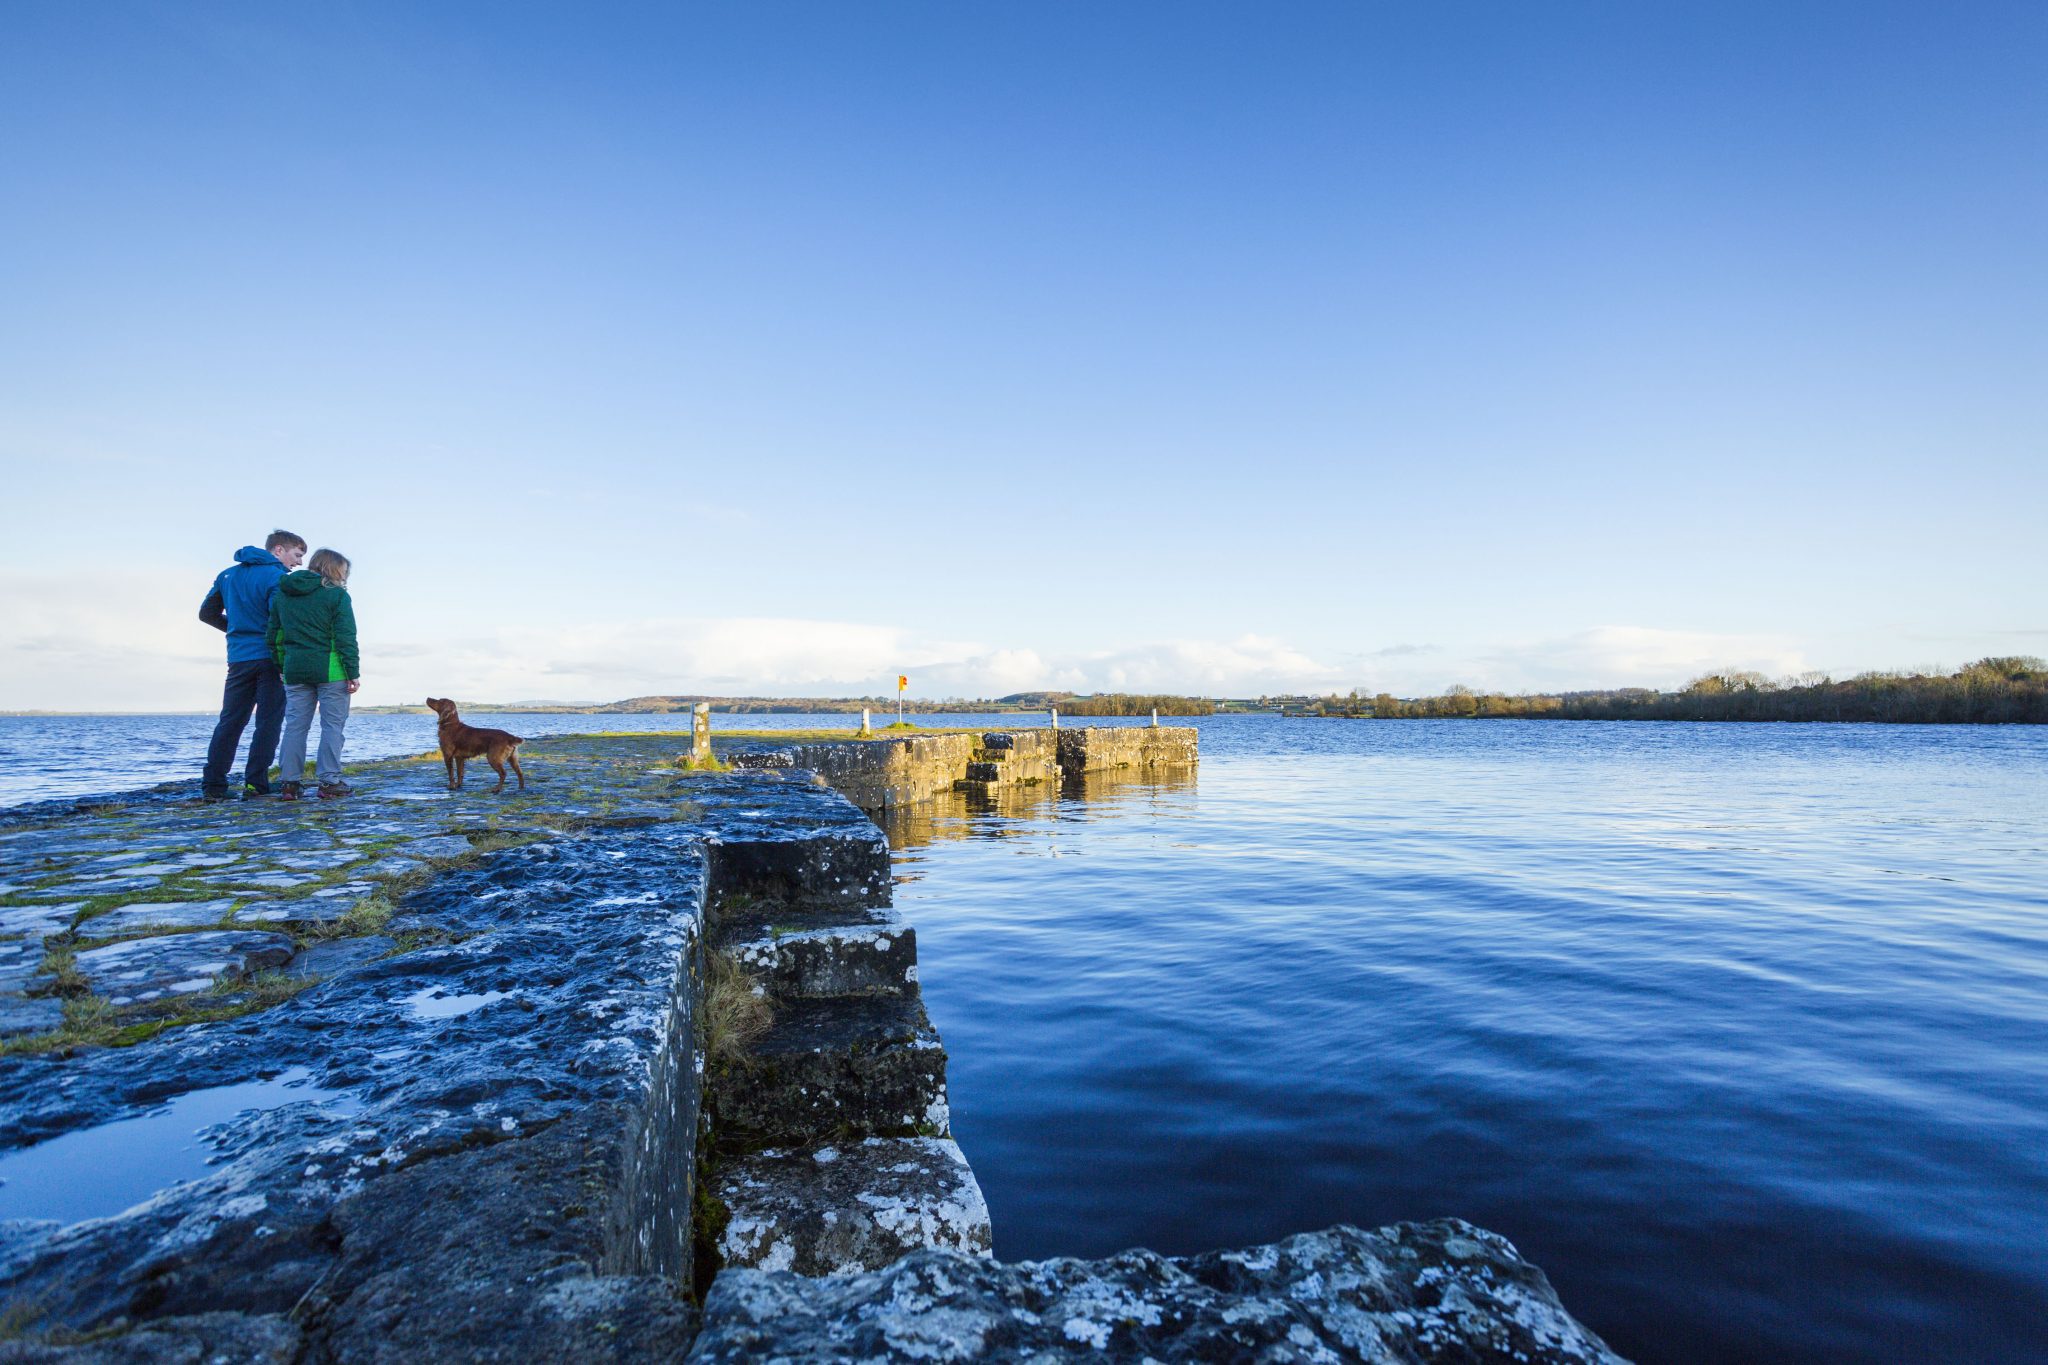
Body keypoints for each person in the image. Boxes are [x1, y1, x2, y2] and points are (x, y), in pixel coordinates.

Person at [199, 530, 306, 800]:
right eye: (297, 555)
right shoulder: (277, 577)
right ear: (278, 550)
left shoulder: (228, 575)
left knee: (230, 721)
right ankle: (255, 784)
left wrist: (236, 630)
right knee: (268, 723)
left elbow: (206, 614)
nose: (299, 563)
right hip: (270, 658)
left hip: (238, 658)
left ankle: (213, 786)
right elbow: (278, 622)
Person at [268, 548, 361, 800]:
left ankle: (289, 783)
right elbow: (345, 637)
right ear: (334, 569)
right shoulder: (337, 596)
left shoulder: (283, 594)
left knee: (295, 727)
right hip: (331, 670)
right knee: (332, 726)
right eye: (343, 571)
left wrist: (281, 666)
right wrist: (353, 672)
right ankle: (329, 782)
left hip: (295, 669)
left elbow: (274, 636)